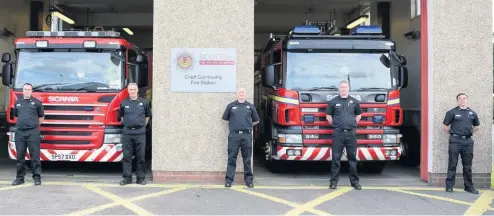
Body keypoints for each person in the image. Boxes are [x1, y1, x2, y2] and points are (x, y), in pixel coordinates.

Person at [325, 80, 362, 190]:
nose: (343, 89)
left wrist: (353, 124)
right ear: (339, 89)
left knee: (352, 159)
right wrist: (336, 125)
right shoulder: (333, 102)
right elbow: (328, 115)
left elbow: (359, 114)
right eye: (342, 87)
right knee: (336, 159)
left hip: (351, 133)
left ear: (349, 89)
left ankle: (355, 182)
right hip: (338, 133)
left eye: (345, 87)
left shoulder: (354, 102)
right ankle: (333, 182)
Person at [222, 87, 259, 188]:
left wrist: (247, 126)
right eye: (240, 92)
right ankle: (229, 181)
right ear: (237, 94)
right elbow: (225, 118)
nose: (241, 94)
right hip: (234, 136)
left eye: (243, 92)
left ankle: (249, 181)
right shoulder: (231, 106)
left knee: (247, 159)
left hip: (246, 136)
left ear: (245, 94)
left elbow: (256, 120)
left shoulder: (250, 107)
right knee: (231, 158)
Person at [443, 93, 480, 194]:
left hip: (468, 142)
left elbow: (476, 126)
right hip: (455, 141)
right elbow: (445, 126)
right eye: (460, 98)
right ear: (457, 101)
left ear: (467, 100)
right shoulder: (452, 112)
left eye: (464, 98)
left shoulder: (472, 113)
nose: (462, 100)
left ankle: (469, 187)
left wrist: (469, 134)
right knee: (452, 164)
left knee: (467, 166)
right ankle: (449, 186)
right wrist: (453, 135)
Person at [118, 83, 152, 186]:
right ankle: (127, 178)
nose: (132, 91)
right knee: (127, 157)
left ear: (137, 90)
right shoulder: (123, 103)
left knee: (140, 157)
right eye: (130, 89)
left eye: (134, 89)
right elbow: (122, 118)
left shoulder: (145, 103)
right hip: (127, 133)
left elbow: (147, 116)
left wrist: (141, 126)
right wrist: (130, 124)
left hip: (140, 133)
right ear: (128, 91)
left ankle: (140, 178)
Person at [12, 83, 44, 186]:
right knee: (20, 157)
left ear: (31, 91)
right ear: (23, 90)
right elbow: (16, 115)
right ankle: (20, 178)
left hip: (33, 133)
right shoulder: (17, 102)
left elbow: (41, 116)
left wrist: (34, 126)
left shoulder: (37, 103)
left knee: (35, 156)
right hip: (20, 133)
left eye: (28, 89)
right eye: (25, 89)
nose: (26, 91)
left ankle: (37, 177)